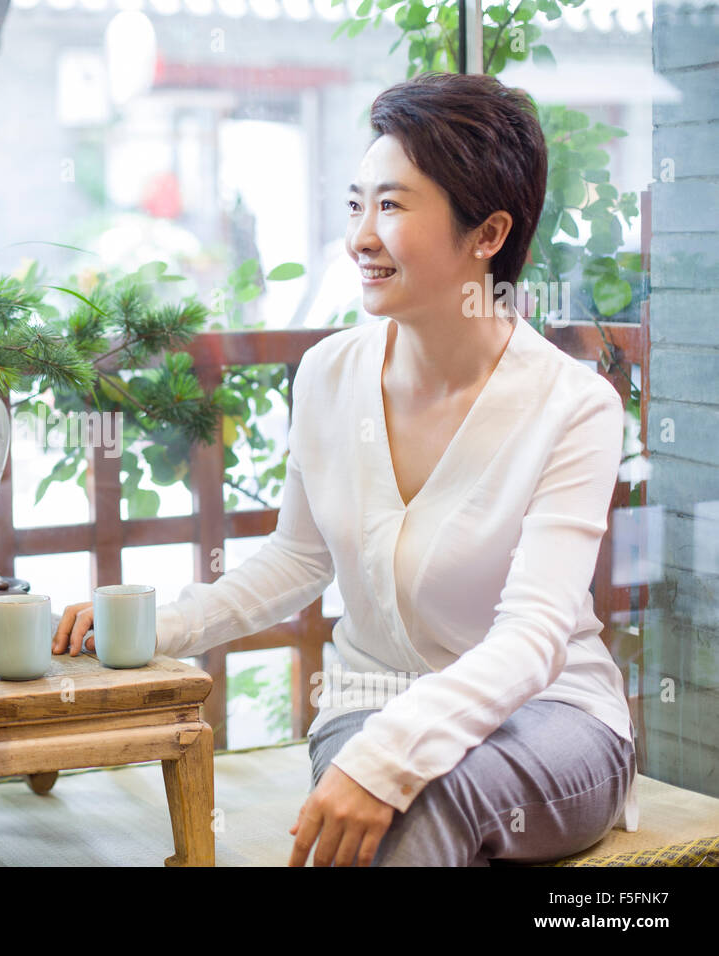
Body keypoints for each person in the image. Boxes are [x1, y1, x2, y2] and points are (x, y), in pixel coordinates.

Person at [54, 72, 637, 867]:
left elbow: (535, 637)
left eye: (393, 206)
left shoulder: (572, 407)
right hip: (367, 703)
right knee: (397, 802)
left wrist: (395, 755)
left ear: (488, 233)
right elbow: (300, 556)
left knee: (424, 792)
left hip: (550, 719)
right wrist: (166, 627)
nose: (361, 235)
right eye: (356, 203)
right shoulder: (329, 375)